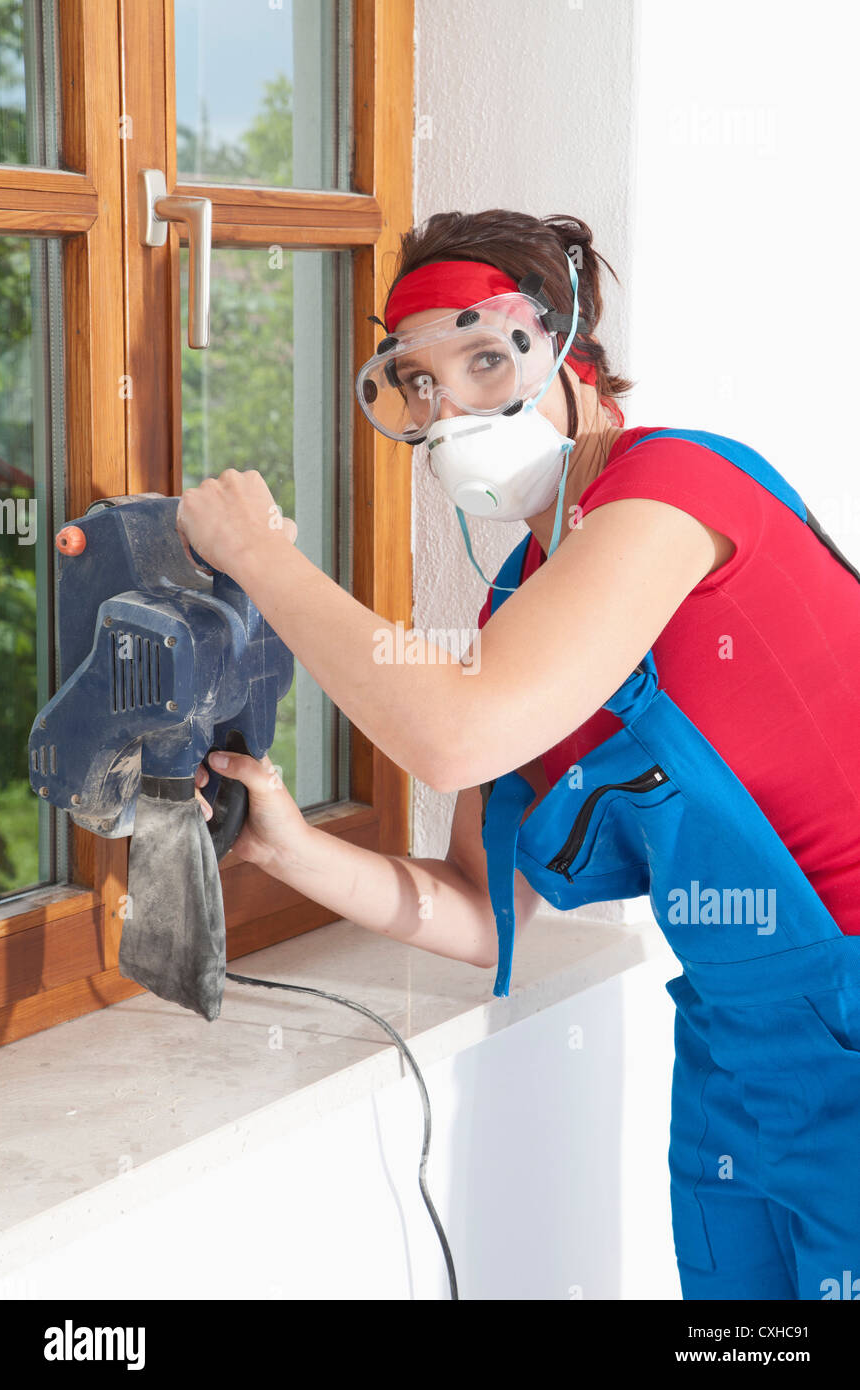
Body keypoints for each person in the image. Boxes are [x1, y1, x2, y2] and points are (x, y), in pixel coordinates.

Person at [177, 209, 860, 1301]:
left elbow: (453, 734)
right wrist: (293, 847)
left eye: (485, 358)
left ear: (572, 358)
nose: (449, 409)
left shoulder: (678, 490)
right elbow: (478, 909)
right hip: (739, 1055)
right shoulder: (520, 605)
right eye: (416, 382)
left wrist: (260, 558)